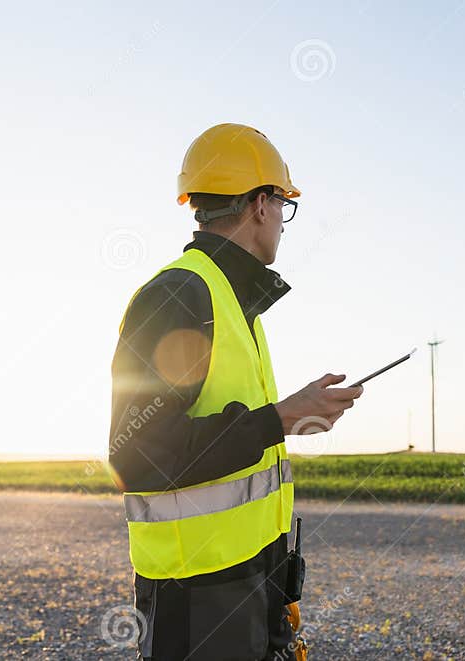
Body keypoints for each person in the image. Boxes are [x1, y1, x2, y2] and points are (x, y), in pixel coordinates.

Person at [107, 123, 364, 660]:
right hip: (196, 598)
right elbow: (136, 454)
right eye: (283, 205)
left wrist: (291, 414)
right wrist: (279, 419)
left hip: (248, 581)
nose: (283, 224)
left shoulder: (234, 302)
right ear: (259, 205)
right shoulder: (180, 295)